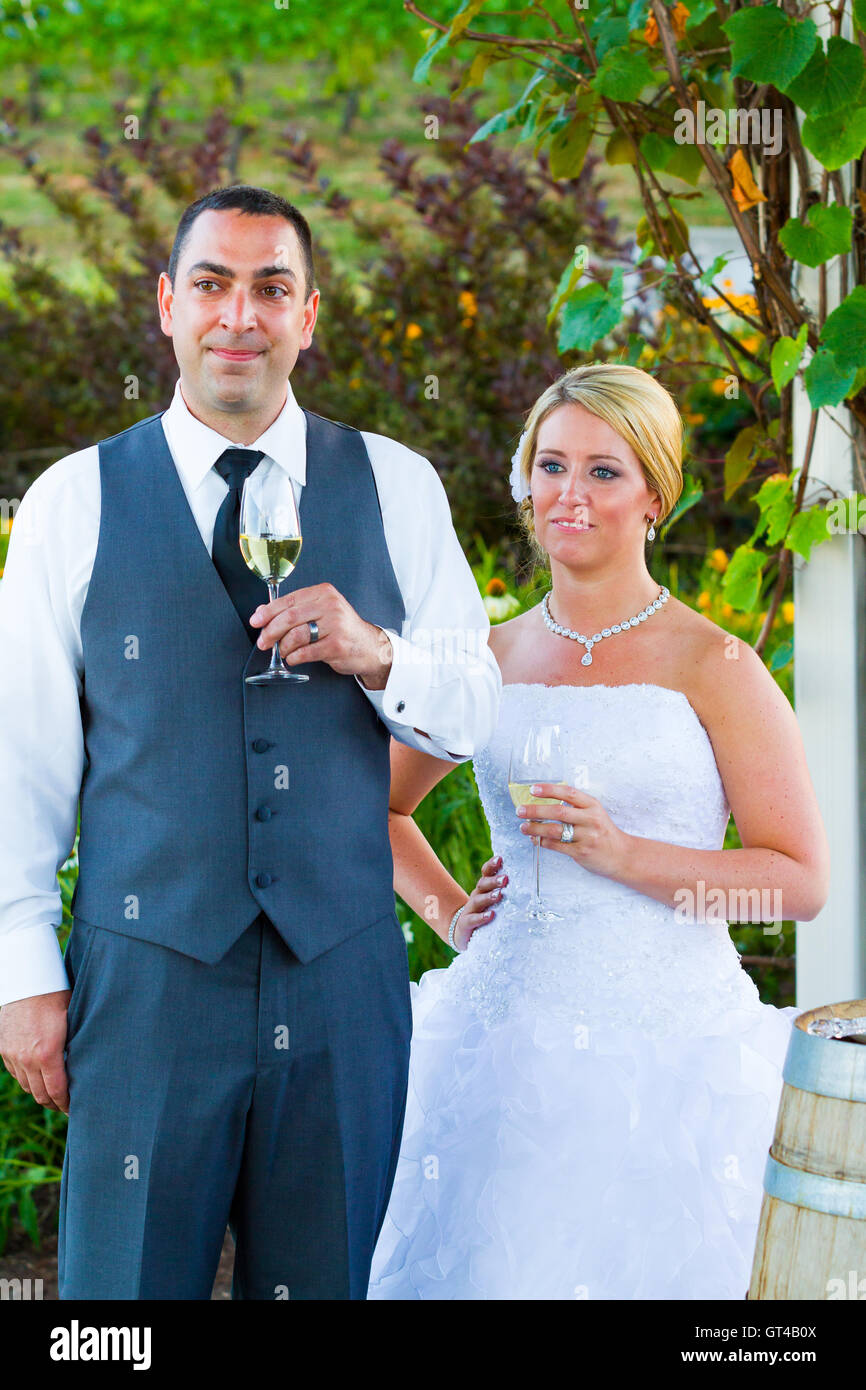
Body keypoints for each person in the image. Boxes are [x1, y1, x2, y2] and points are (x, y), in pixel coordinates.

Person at [0, 184, 501, 1300]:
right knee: (119, 1303)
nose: (240, 314)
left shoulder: (397, 485)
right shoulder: (70, 503)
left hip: (340, 981)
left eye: (270, 288)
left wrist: (378, 652)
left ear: (307, 317)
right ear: (167, 306)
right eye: (213, 285)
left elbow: (473, 707)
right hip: (149, 979)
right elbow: (19, 765)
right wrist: (23, 975)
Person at [368, 362, 830, 1301]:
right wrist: (454, 918)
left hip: (667, 1055)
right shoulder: (487, 657)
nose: (568, 495)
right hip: (496, 1049)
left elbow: (799, 882)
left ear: (655, 493)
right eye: (551, 465)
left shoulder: (716, 663)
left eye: (603, 472)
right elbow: (377, 812)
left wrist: (624, 855)